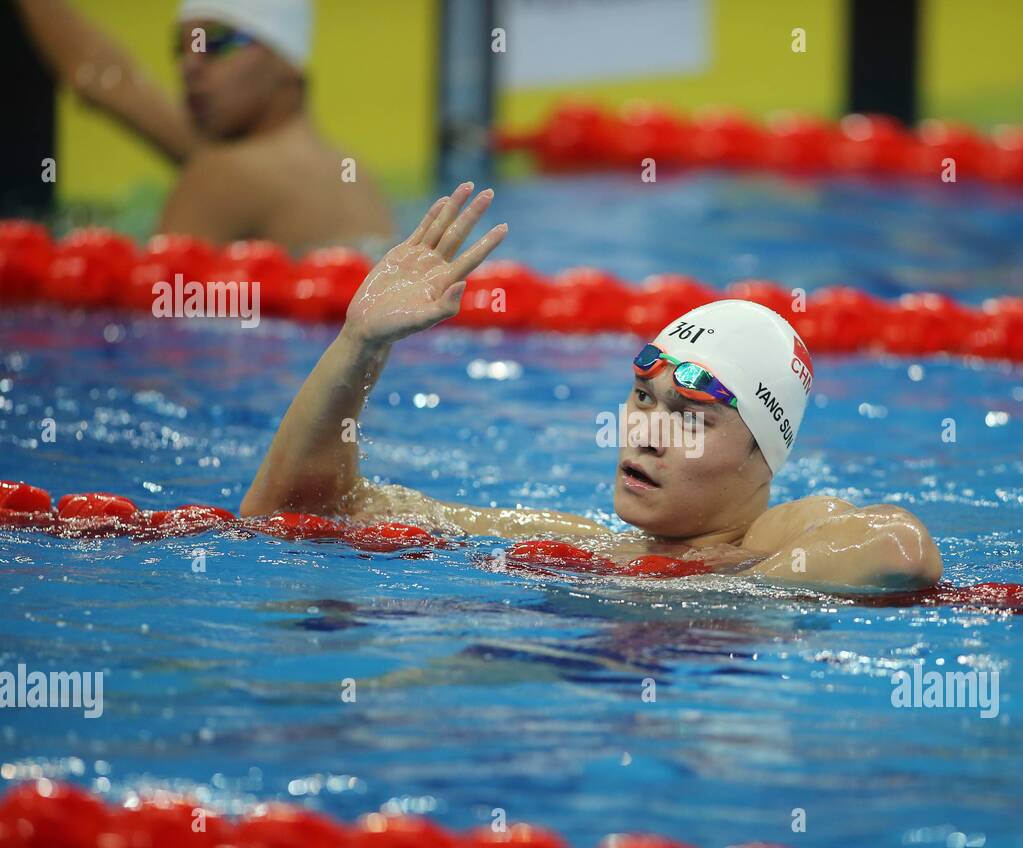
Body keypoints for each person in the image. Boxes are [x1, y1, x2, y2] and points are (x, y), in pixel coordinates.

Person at [241, 184, 943, 591]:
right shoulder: (587, 549)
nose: (647, 431)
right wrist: (358, 345)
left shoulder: (769, 538)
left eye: (692, 417)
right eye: (643, 399)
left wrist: (719, 586)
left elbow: (901, 549)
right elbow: (302, 512)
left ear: (765, 457)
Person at [14, 0, 393, 251]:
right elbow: (103, 77)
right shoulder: (355, 176)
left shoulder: (222, 175)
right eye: (181, 47)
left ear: (287, 60)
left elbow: (156, 337)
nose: (190, 66)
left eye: (218, 42)